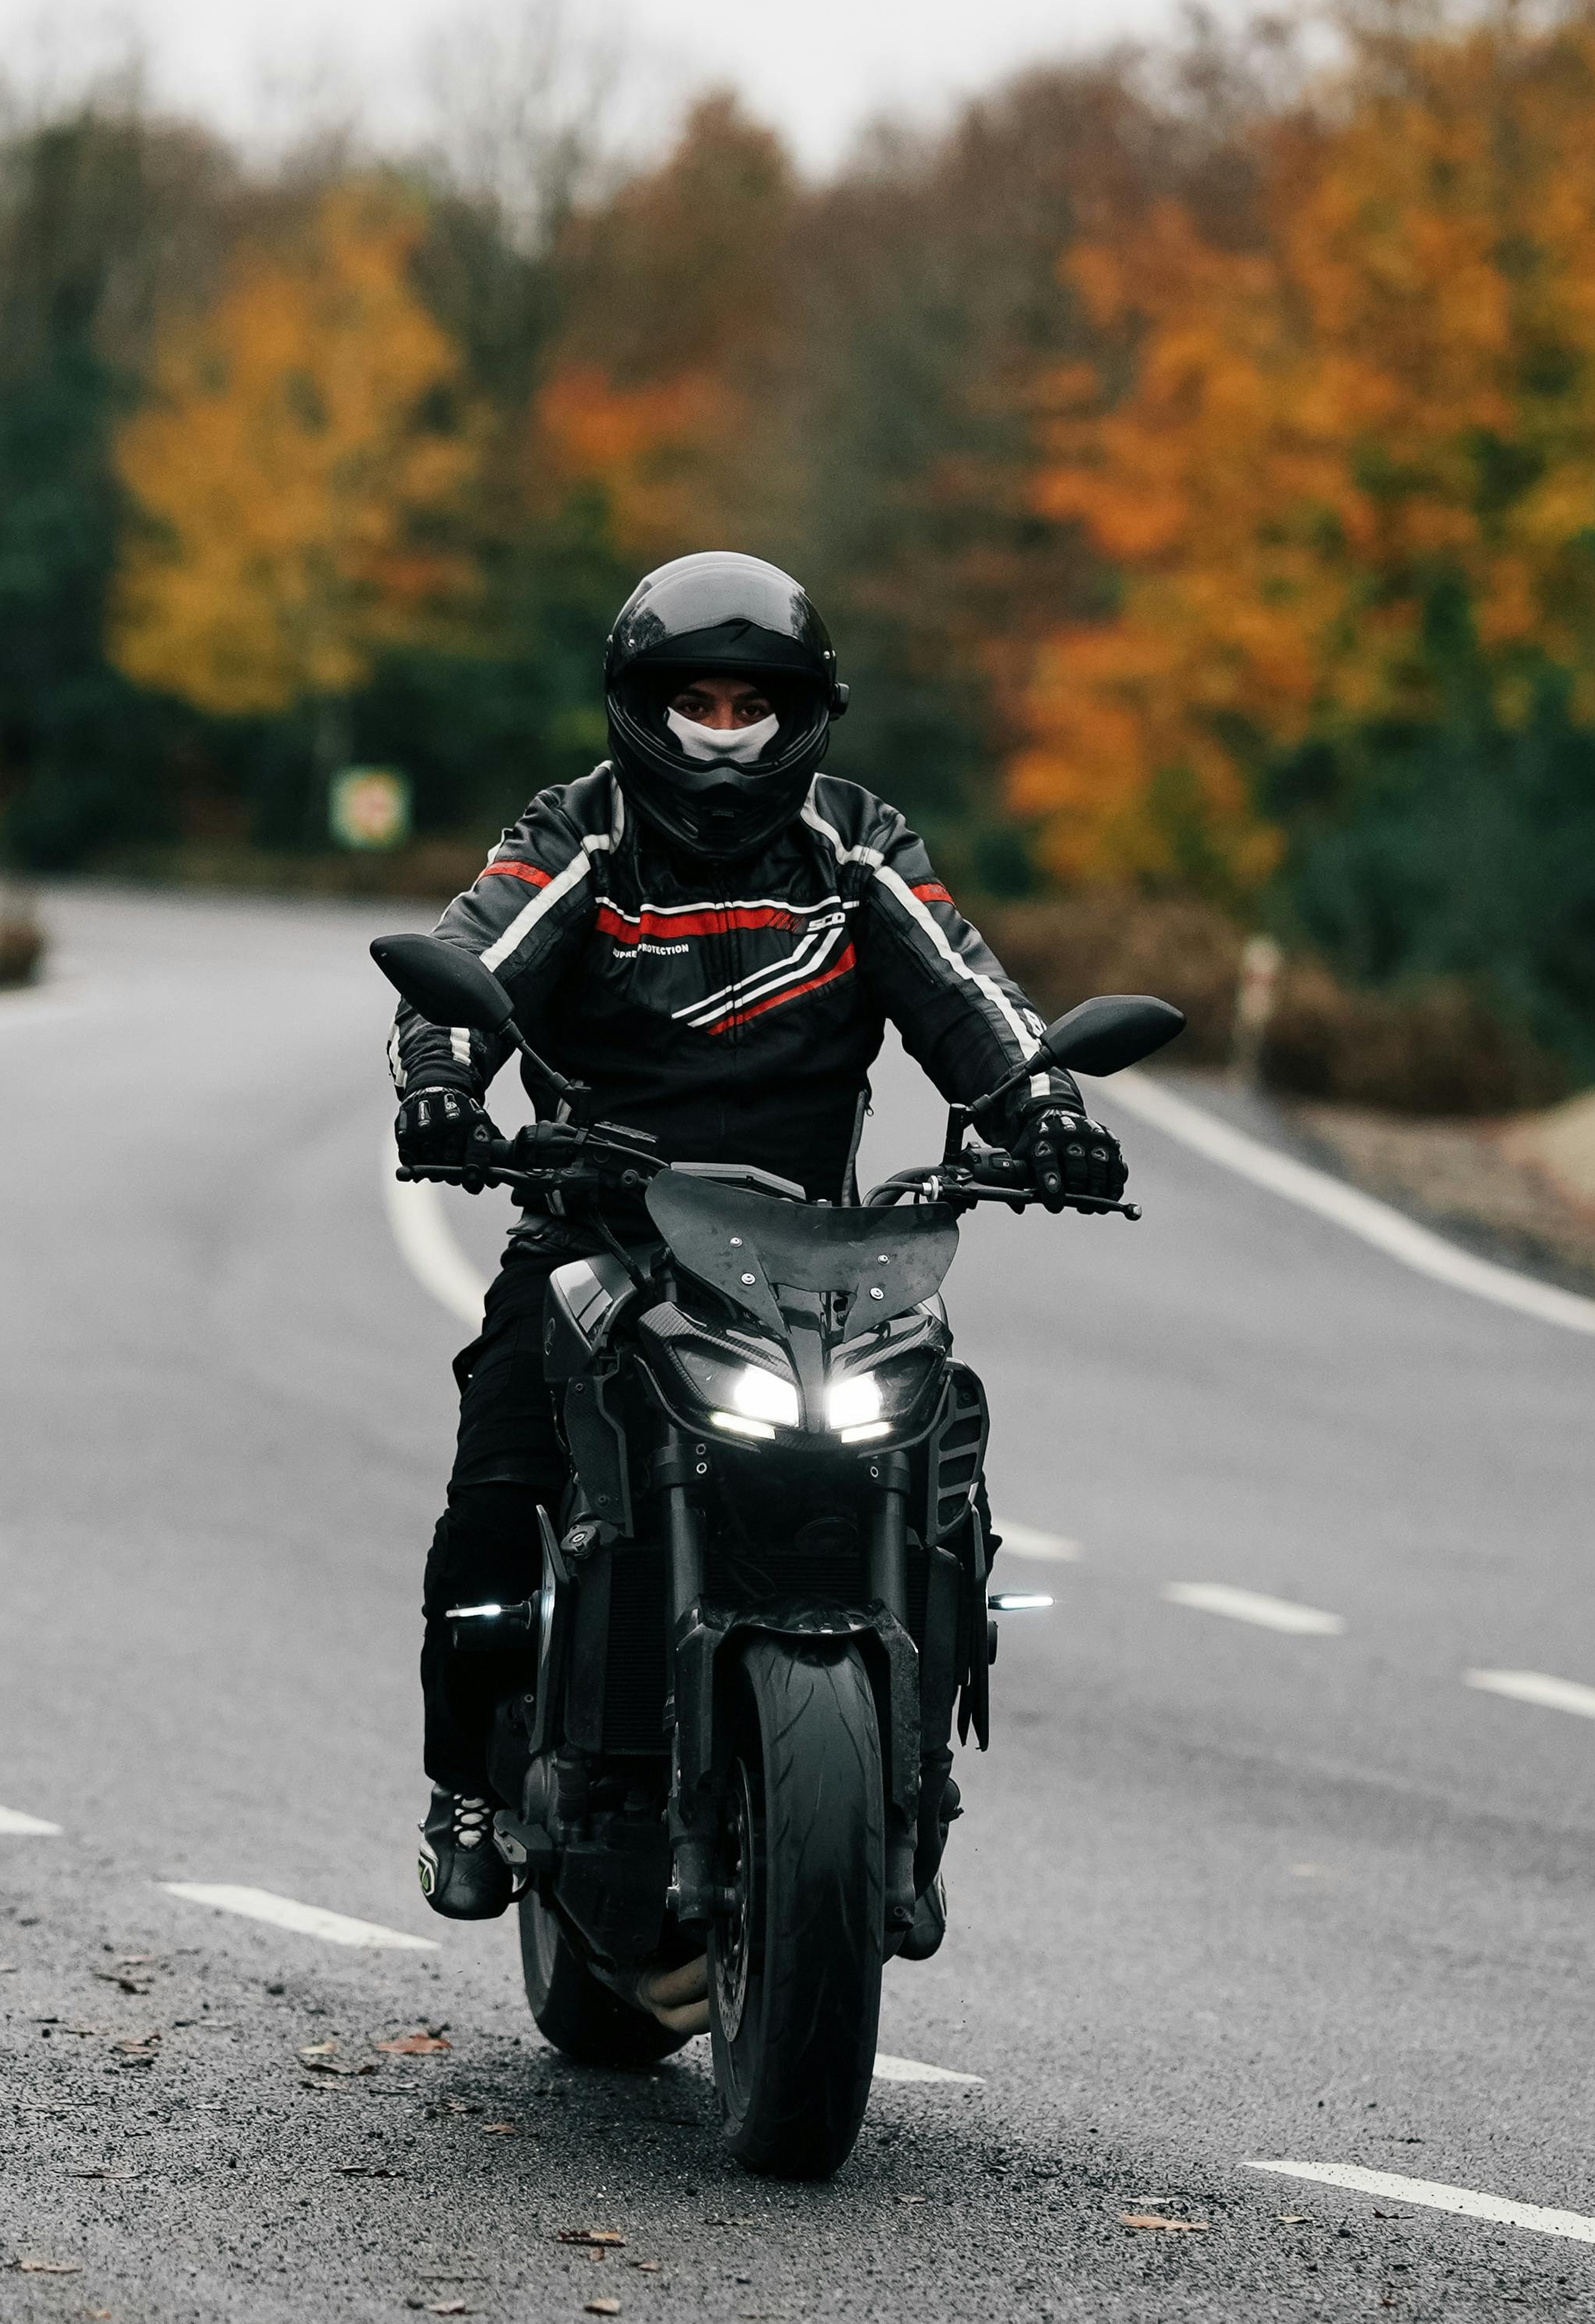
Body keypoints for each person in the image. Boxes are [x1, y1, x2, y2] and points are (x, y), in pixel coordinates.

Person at [389, 550, 1126, 1921]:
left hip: (825, 1257)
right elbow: (464, 971)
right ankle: (467, 1795)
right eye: (694, 703)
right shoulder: (577, 838)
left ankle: (919, 1783)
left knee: (941, 1448)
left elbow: (973, 996)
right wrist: (440, 1083)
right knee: (495, 1492)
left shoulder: (855, 846)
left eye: (753, 705)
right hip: (595, 1239)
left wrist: (1045, 1107)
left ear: (805, 713)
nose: (723, 735)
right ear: (637, 706)